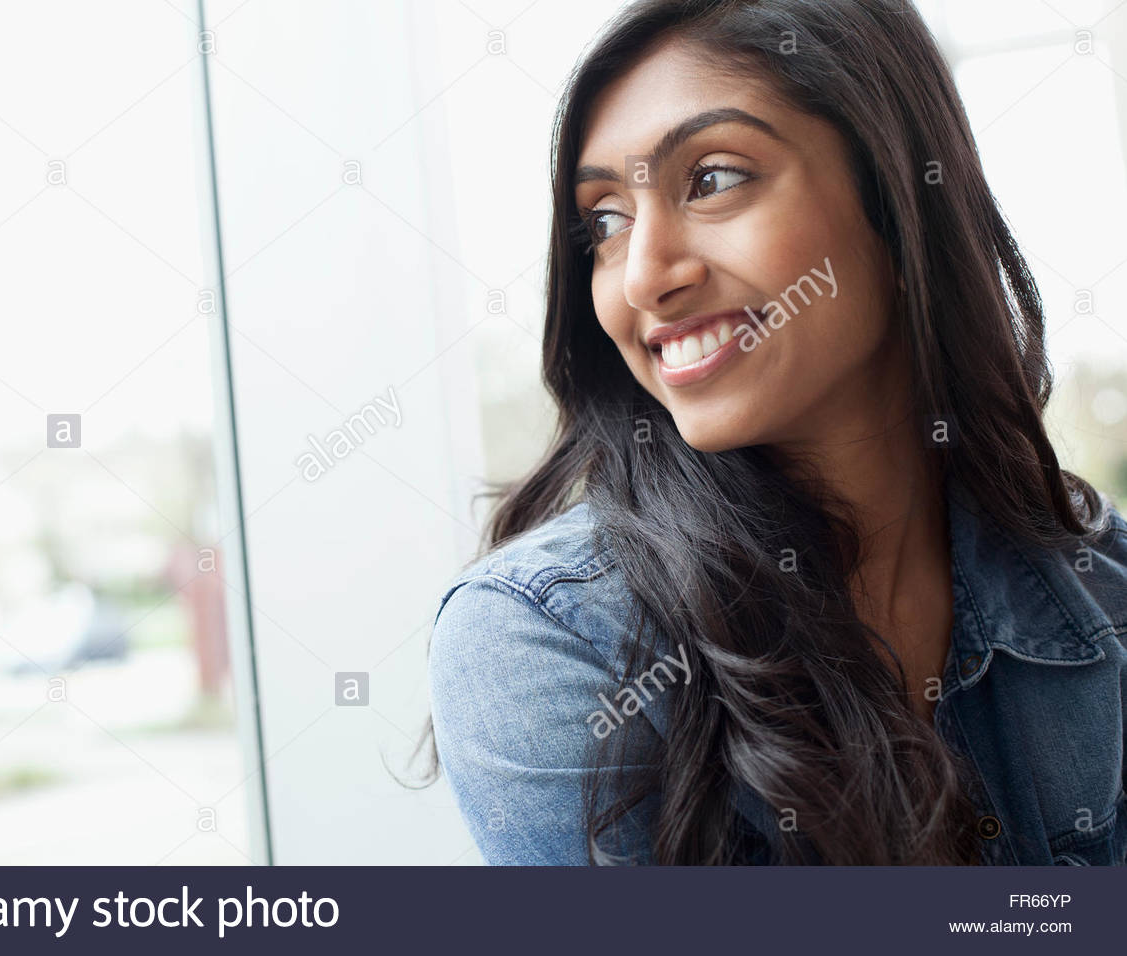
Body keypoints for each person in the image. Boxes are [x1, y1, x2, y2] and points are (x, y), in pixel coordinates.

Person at [422, 0, 1127, 866]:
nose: (643, 277)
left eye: (712, 179)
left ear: (897, 201)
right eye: (604, 221)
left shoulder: (1103, 585)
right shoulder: (549, 642)